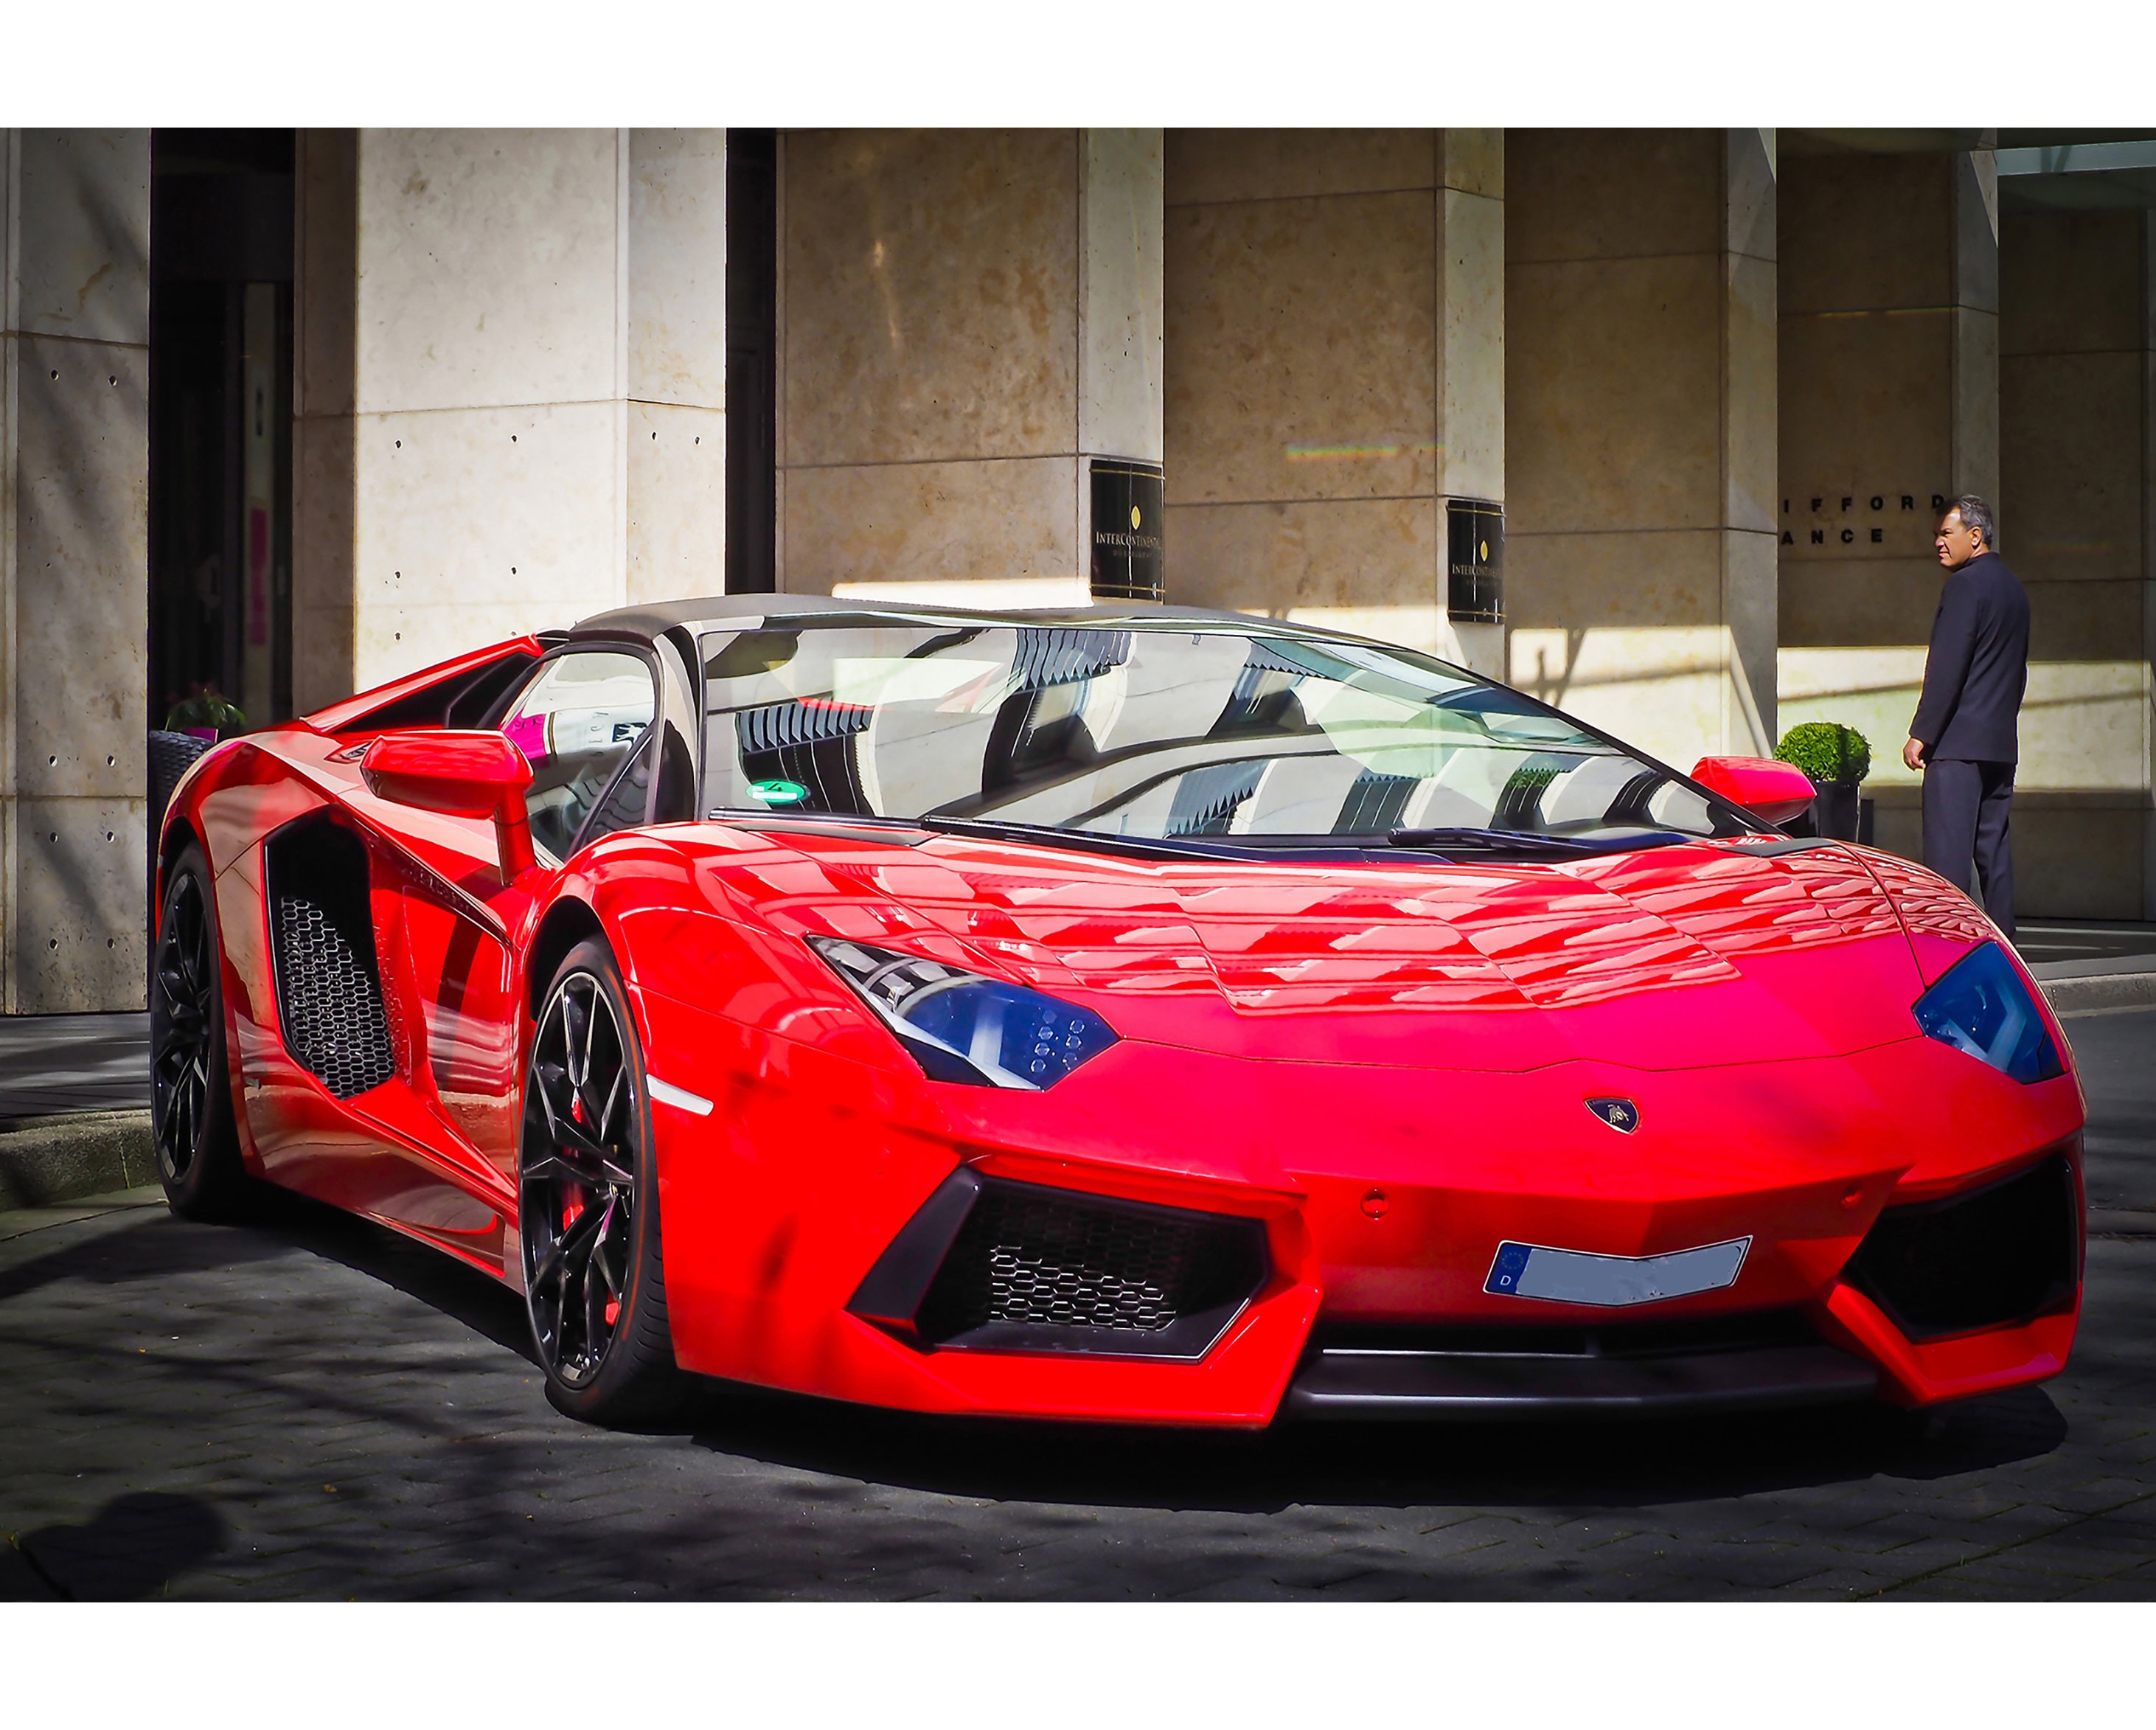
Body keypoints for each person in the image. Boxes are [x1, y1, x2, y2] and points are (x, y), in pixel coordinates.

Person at [1902, 495, 2029, 938]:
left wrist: (1922, 733)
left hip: (1957, 748)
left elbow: (1947, 667)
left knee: (1947, 861)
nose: (1938, 542)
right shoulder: (2014, 590)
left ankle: (1950, 951)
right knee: (1994, 856)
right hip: (1999, 746)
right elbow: (2018, 674)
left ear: (1975, 537)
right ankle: (2007, 952)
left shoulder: (1964, 587)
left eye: (1946, 533)